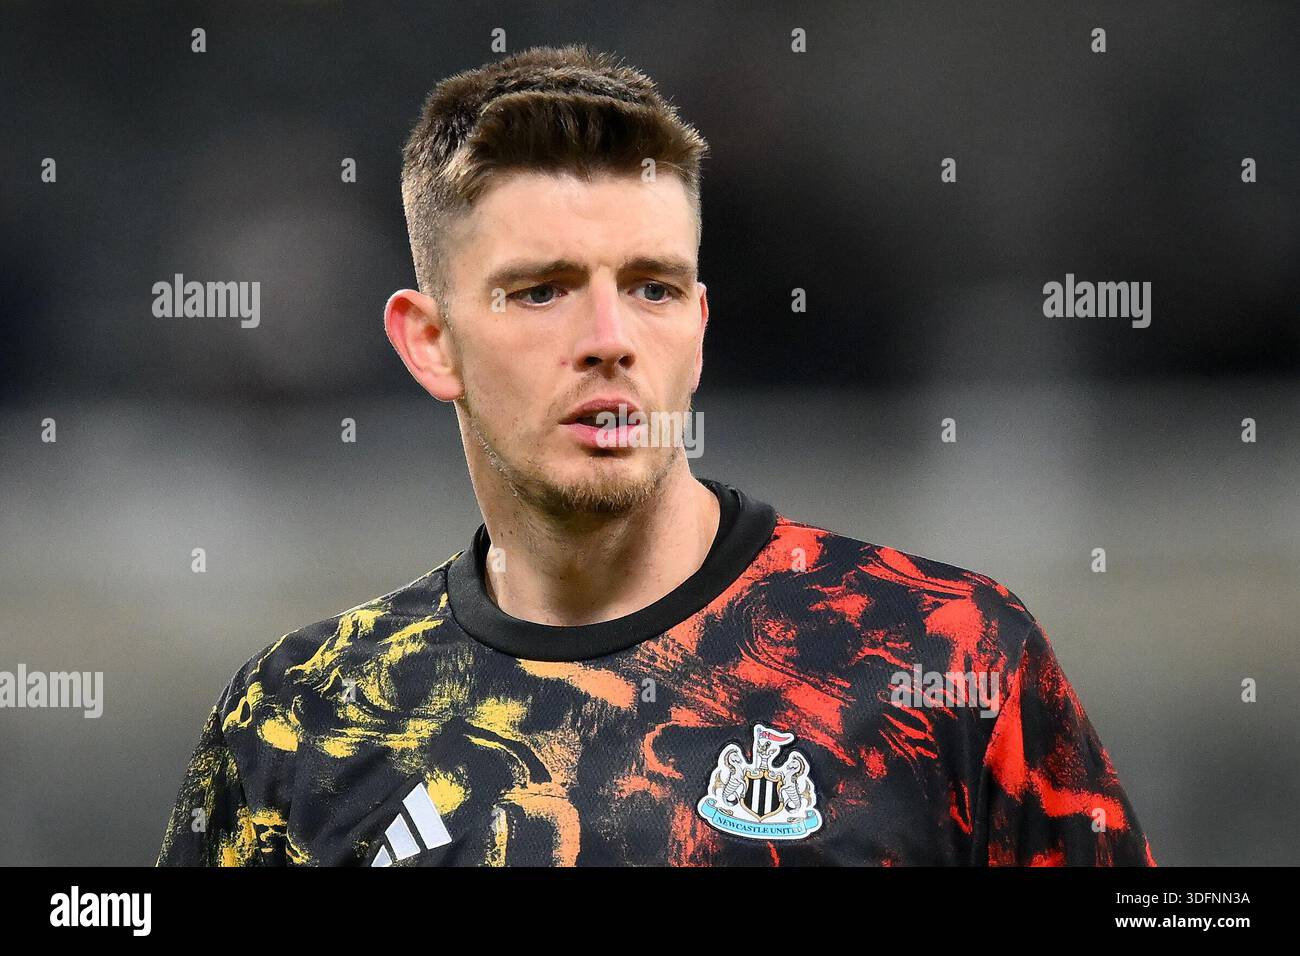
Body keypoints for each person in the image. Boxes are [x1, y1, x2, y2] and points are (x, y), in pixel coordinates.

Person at [157, 44, 1154, 866]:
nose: (609, 336)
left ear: (701, 325)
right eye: (540, 290)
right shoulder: (298, 724)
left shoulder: (945, 657)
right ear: (430, 341)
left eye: (652, 287)